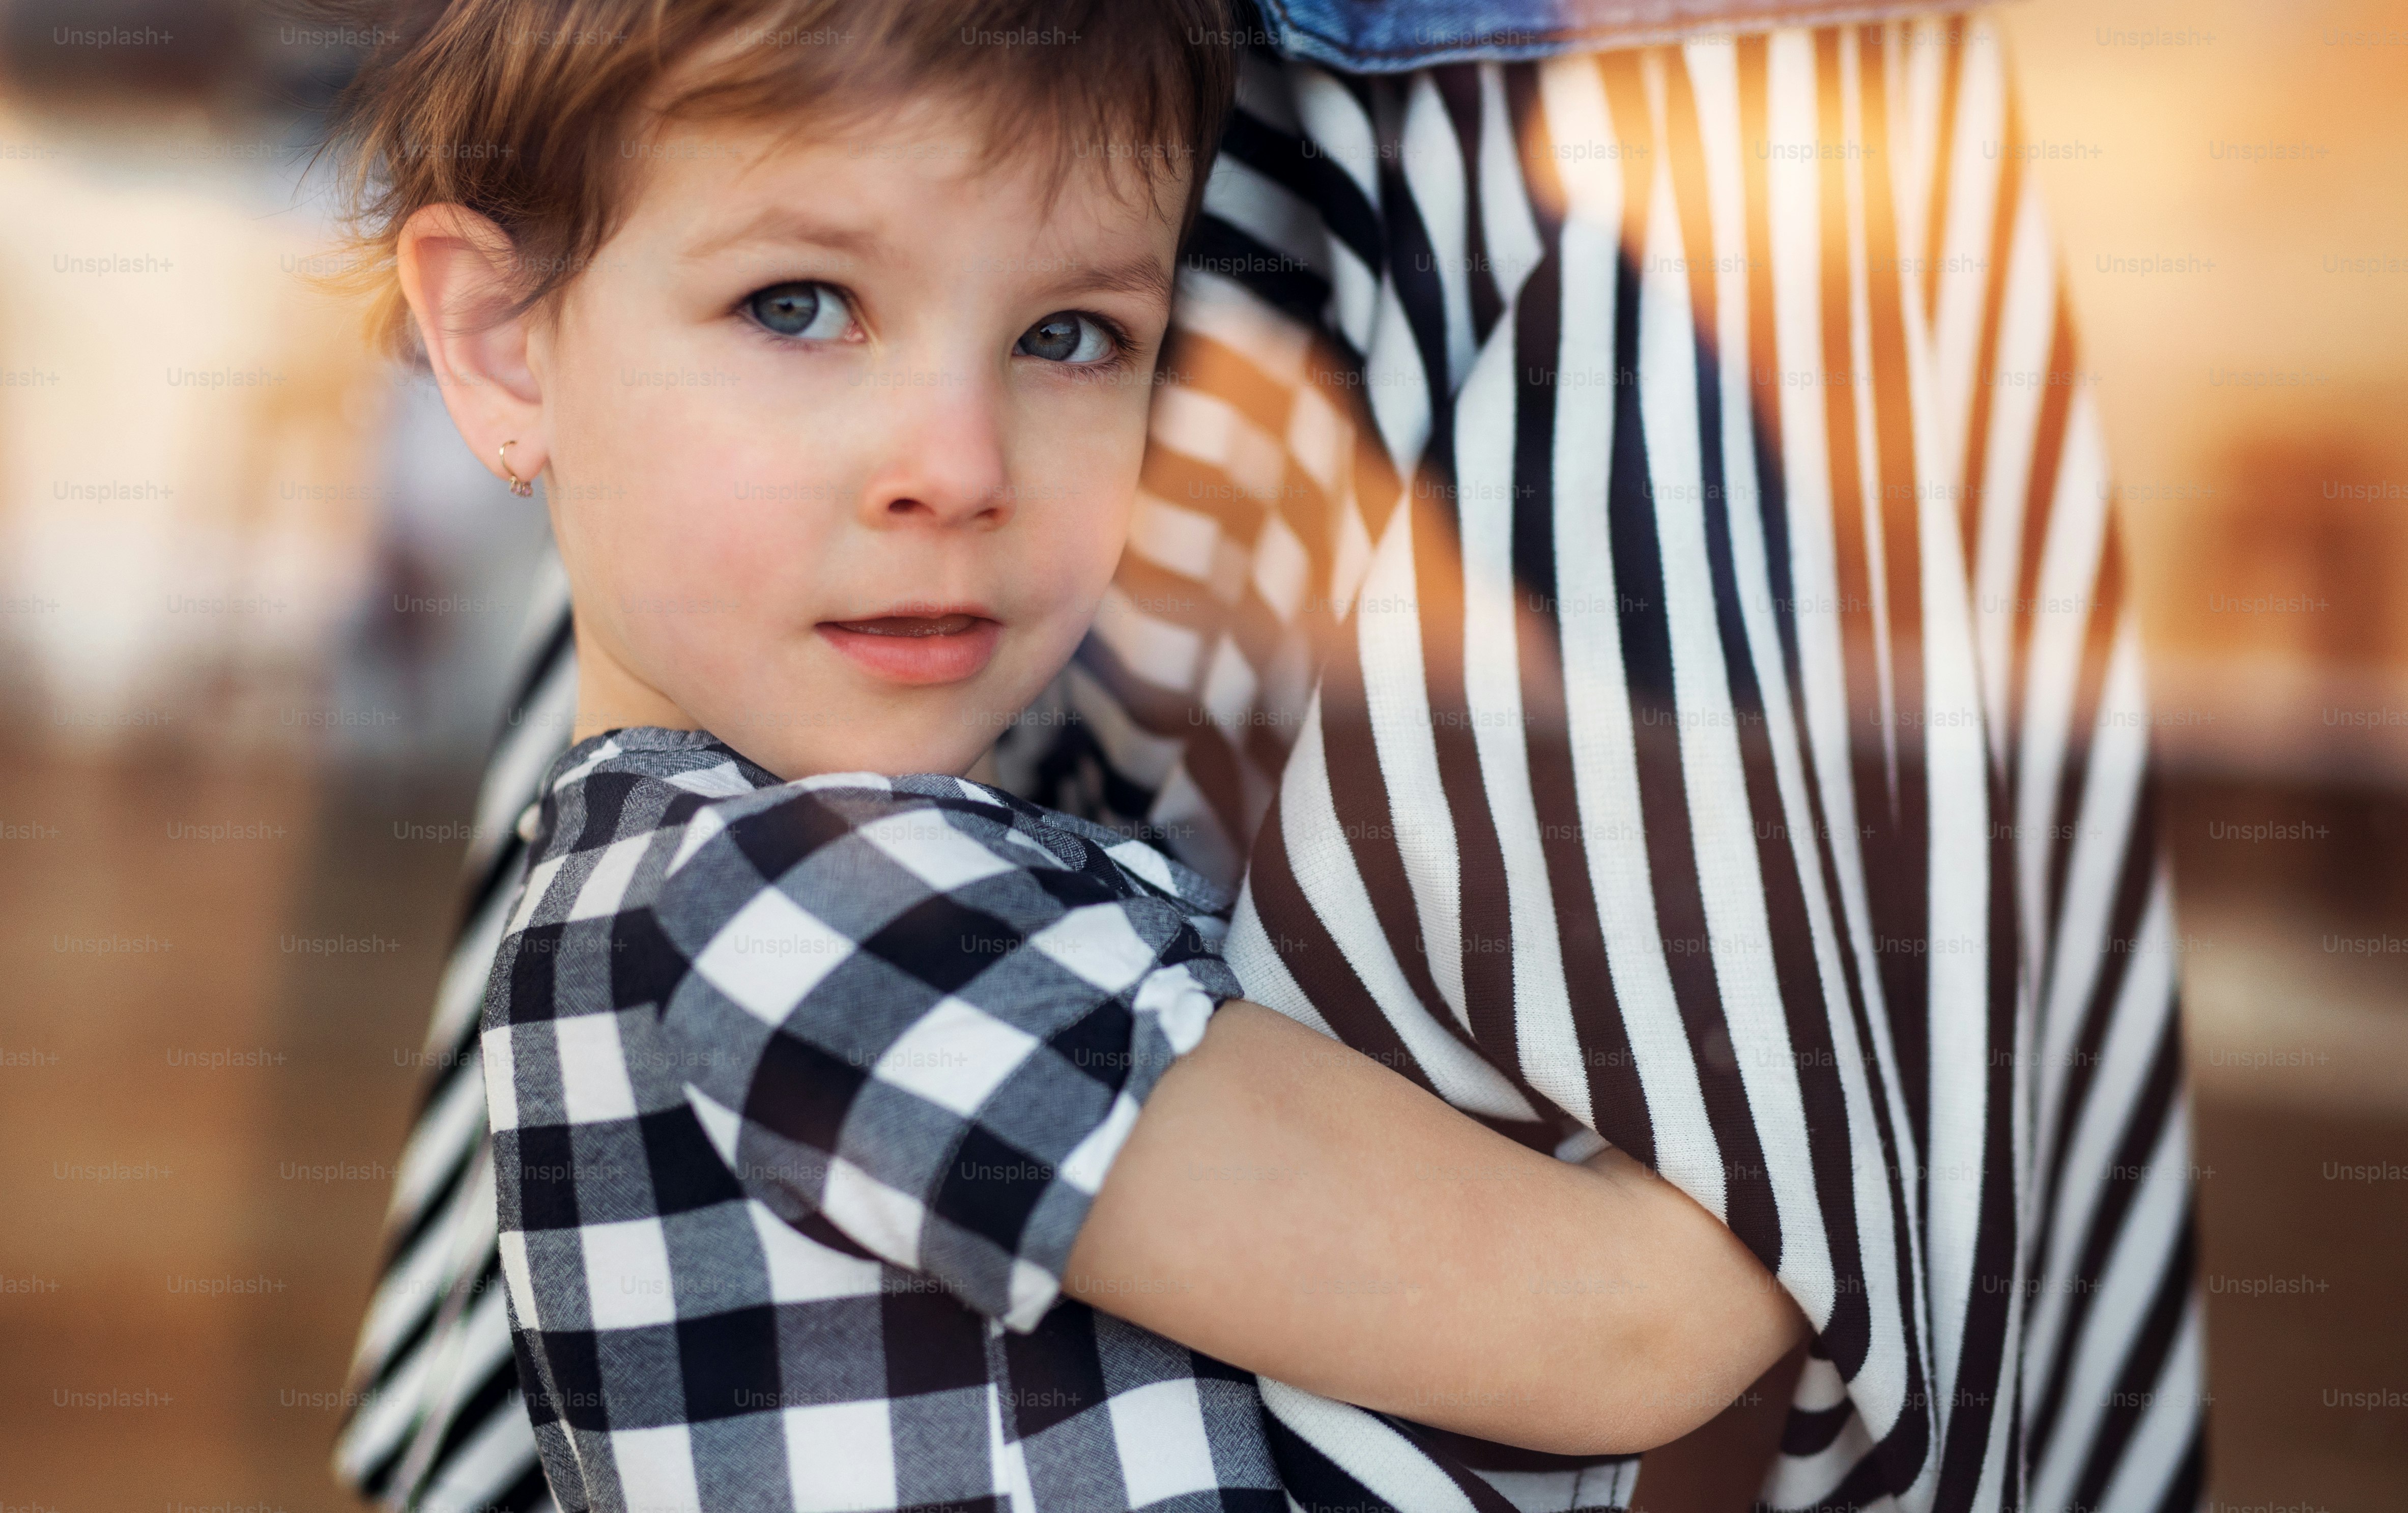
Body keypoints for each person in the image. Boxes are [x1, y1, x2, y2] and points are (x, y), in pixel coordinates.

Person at [335, 3, 2205, 1510]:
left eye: (1071, 334)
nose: (959, 462)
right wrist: (1906, 915)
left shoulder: (702, 879)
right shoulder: (813, 914)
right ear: (498, 343)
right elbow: (1619, 1342)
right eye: (799, 306)